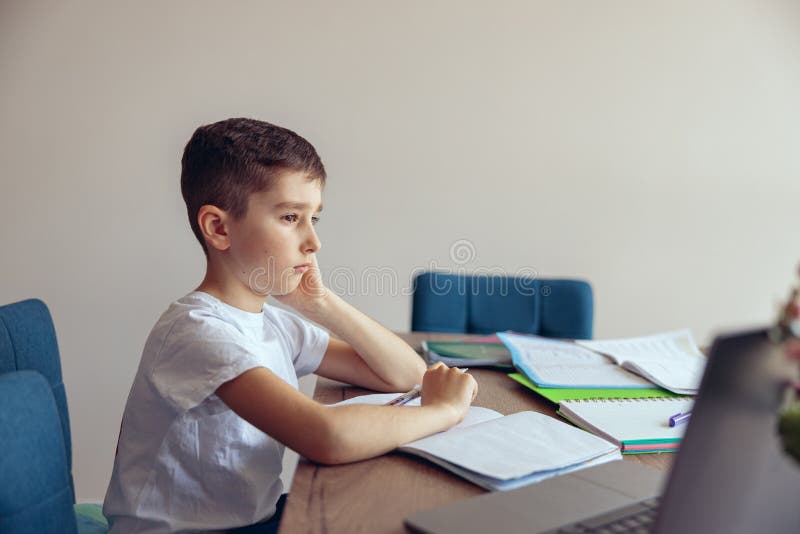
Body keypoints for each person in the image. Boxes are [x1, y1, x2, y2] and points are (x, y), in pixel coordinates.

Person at [102, 118, 478, 533]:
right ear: (219, 228)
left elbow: (406, 376)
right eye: (289, 217)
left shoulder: (271, 322)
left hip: (252, 521)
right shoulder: (197, 331)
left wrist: (322, 304)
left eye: (314, 218)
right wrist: (443, 411)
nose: (313, 242)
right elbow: (326, 436)